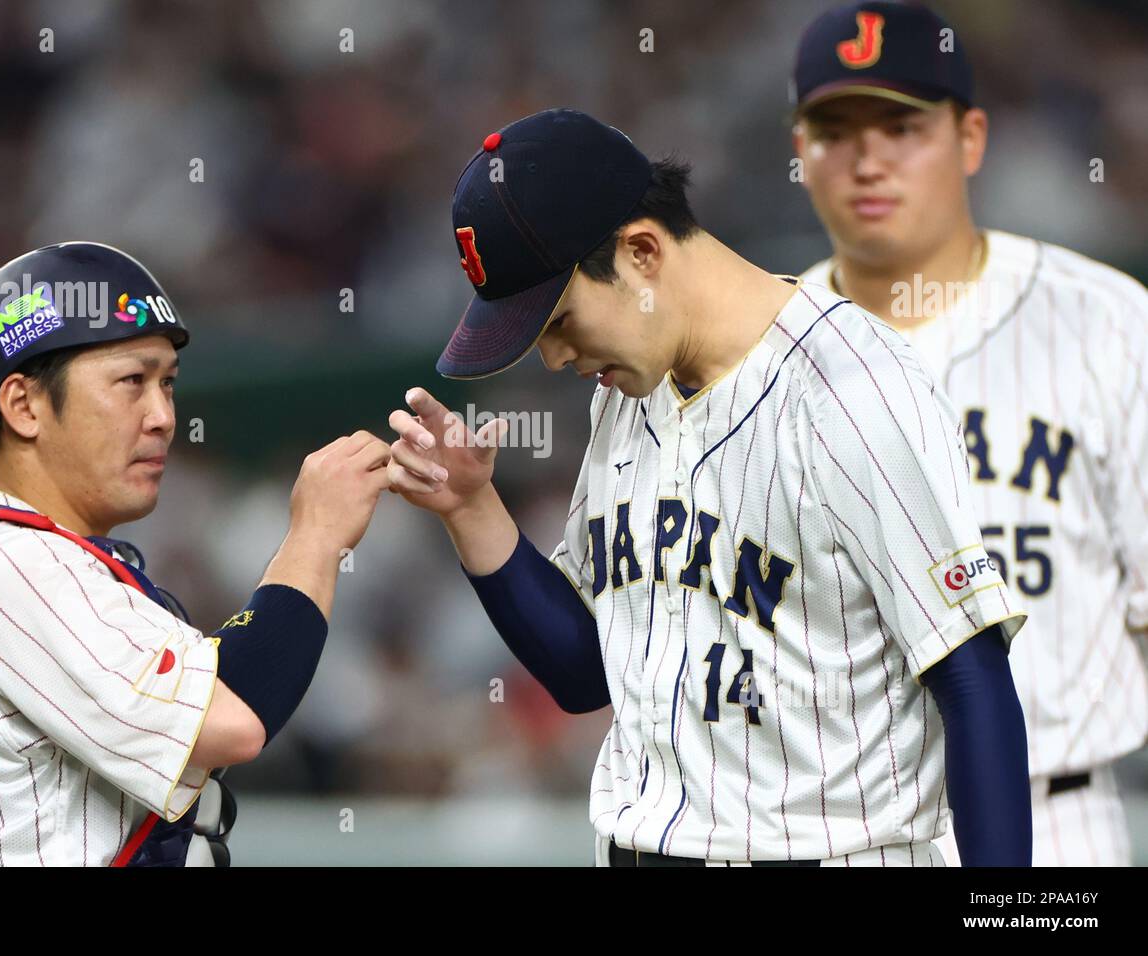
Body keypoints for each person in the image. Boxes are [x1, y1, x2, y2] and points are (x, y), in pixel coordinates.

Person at [387, 107, 1031, 866]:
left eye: (559, 321)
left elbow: (971, 674)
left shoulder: (856, 392)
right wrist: (471, 509)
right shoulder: (626, 400)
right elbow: (585, 673)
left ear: (643, 252)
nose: (555, 357)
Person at [0, 241, 389, 866]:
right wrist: (316, 536)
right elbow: (234, 718)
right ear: (24, 405)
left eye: (167, 383)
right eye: (131, 382)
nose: (163, 416)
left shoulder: (26, 555)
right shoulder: (1, 561)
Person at [791, 1, 1148, 865]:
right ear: (797, 151)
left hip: (1059, 819)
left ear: (972, 137)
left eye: (902, 124)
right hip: (840, 834)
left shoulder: (1108, 323)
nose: (867, 158)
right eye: (833, 129)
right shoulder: (763, 349)